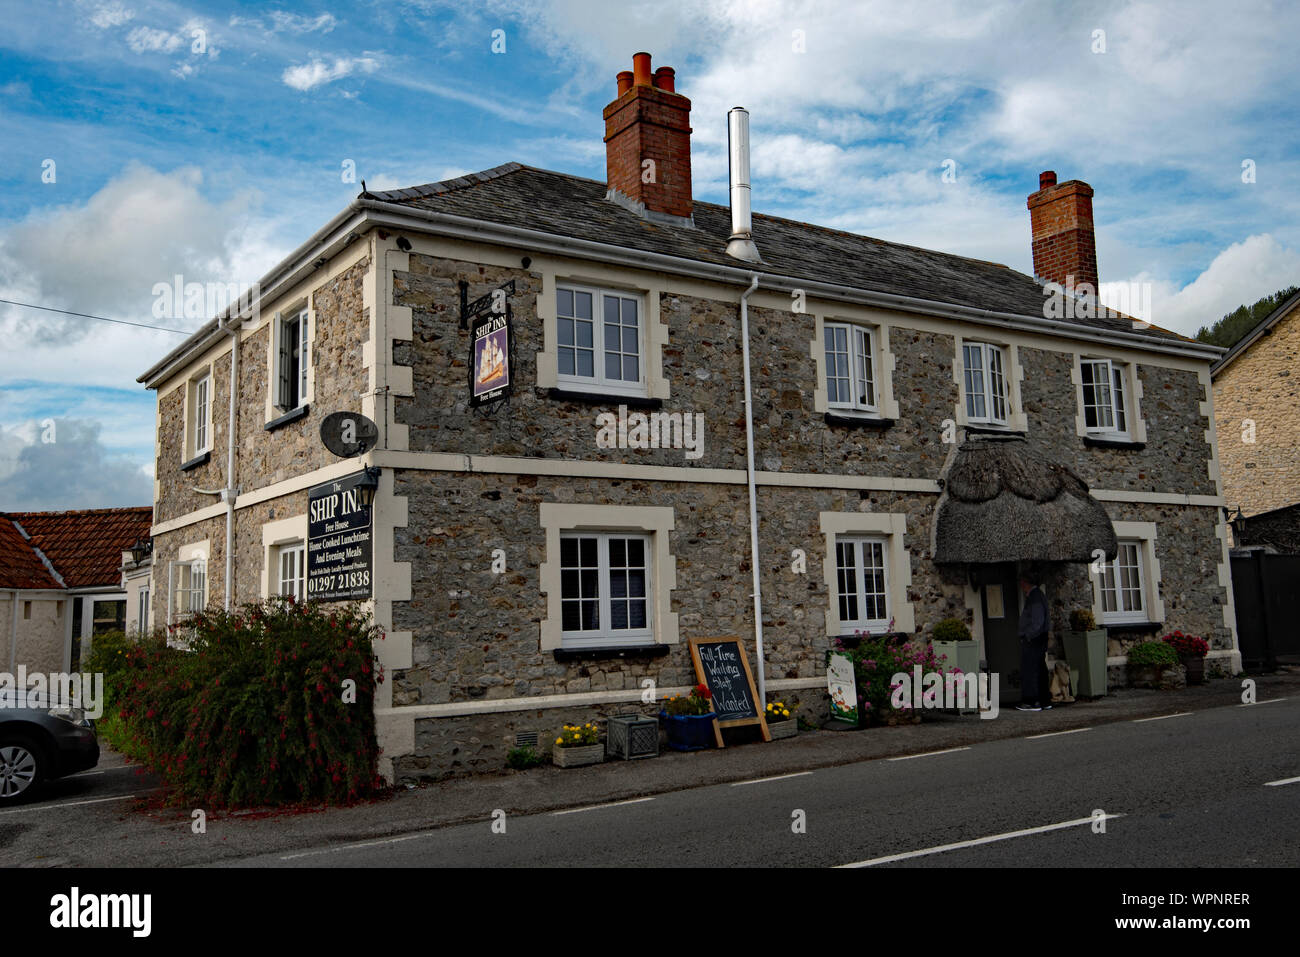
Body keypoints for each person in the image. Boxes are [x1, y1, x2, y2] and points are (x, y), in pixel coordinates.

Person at [1016, 575, 1052, 712]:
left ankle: (1032, 701)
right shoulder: (1038, 595)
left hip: (1034, 640)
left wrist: (1027, 636)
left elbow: (1037, 621)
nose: (1020, 584)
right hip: (1039, 639)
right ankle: (1044, 700)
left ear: (1026, 583)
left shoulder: (1035, 597)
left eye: (1022, 581)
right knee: (1040, 668)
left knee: (1030, 670)